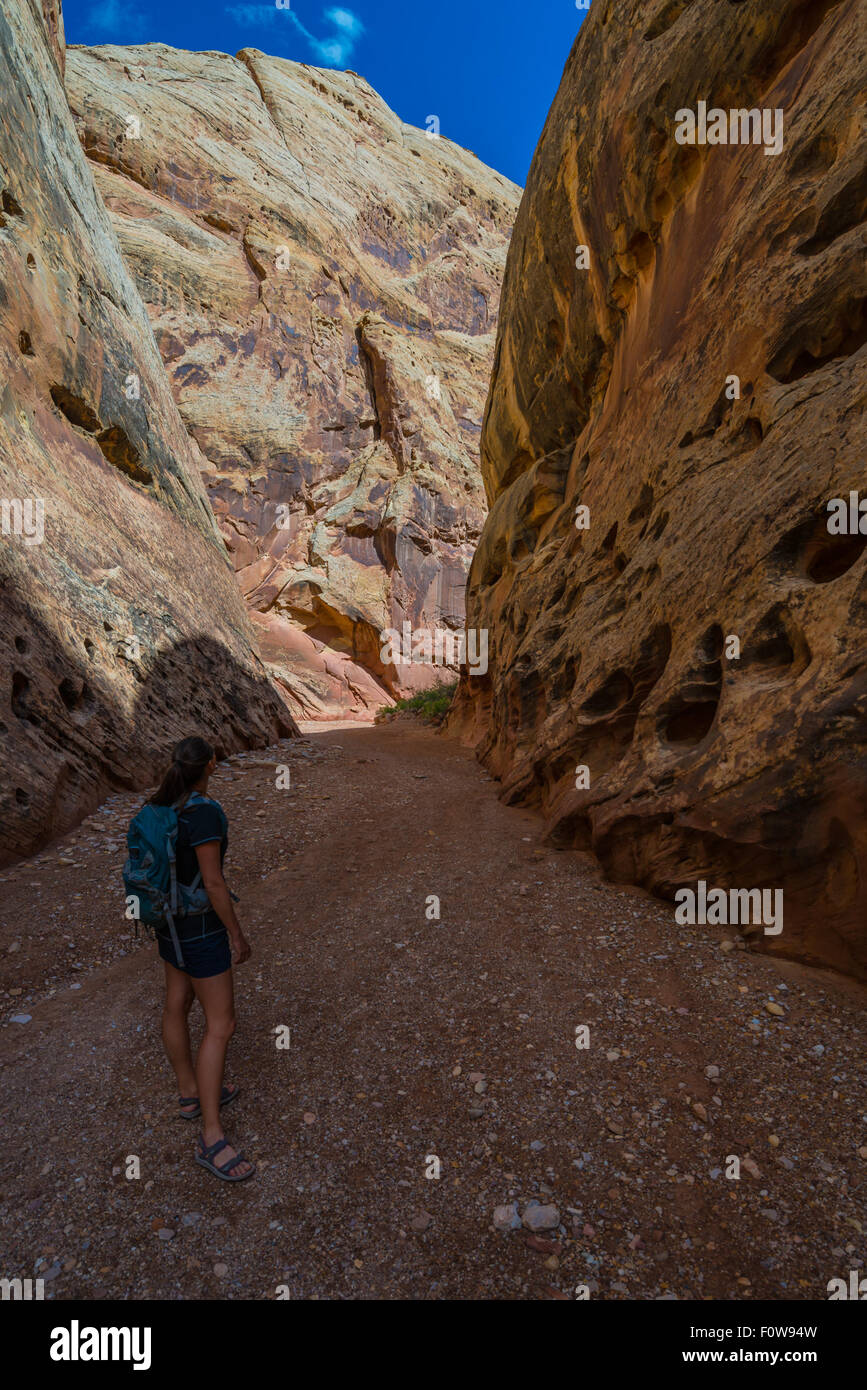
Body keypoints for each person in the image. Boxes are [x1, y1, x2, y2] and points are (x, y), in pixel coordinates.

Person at [148, 736, 255, 1182]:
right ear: (210, 764)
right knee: (221, 1024)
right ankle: (212, 1137)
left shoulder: (161, 805)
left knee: (177, 1001)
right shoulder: (204, 811)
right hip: (201, 928)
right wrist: (236, 933)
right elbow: (213, 883)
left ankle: (190, 1093)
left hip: (167, 923)